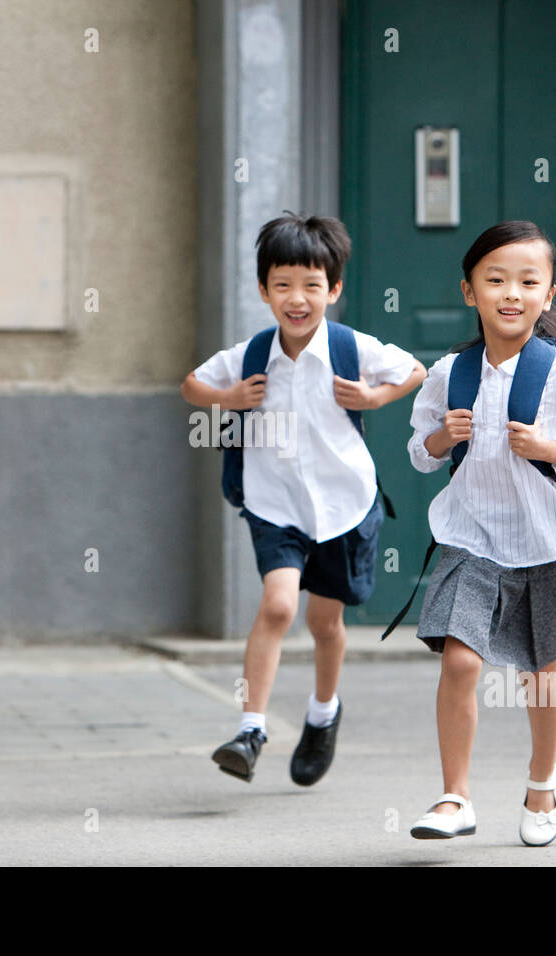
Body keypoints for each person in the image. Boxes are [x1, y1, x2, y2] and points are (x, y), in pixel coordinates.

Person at [404, 220, 556, 845]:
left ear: (547, 292)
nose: (512, 292)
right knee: (459, 660)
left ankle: (543, 780)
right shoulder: (449, 372)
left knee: (539, 668)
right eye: (496, 280)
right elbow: (420, 454)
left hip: (545, 539)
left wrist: (551, 446)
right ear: (469, 291)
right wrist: (438, 438)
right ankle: (455, 798)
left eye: (528, 281)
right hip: (470, 535)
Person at [181, 212, 425, 786]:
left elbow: (414, 369)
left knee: (323, 622)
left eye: (312, 285)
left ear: (333, 290)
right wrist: (230, 397)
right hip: (275, 503)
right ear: (264, 290)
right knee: (277, 606)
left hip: (344, 502)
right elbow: (191, 384)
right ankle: (250, 728)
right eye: (283, 285)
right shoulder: (251, 356)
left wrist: (374, 396)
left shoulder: (349, 346)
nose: (298, 298)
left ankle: (323, 713)